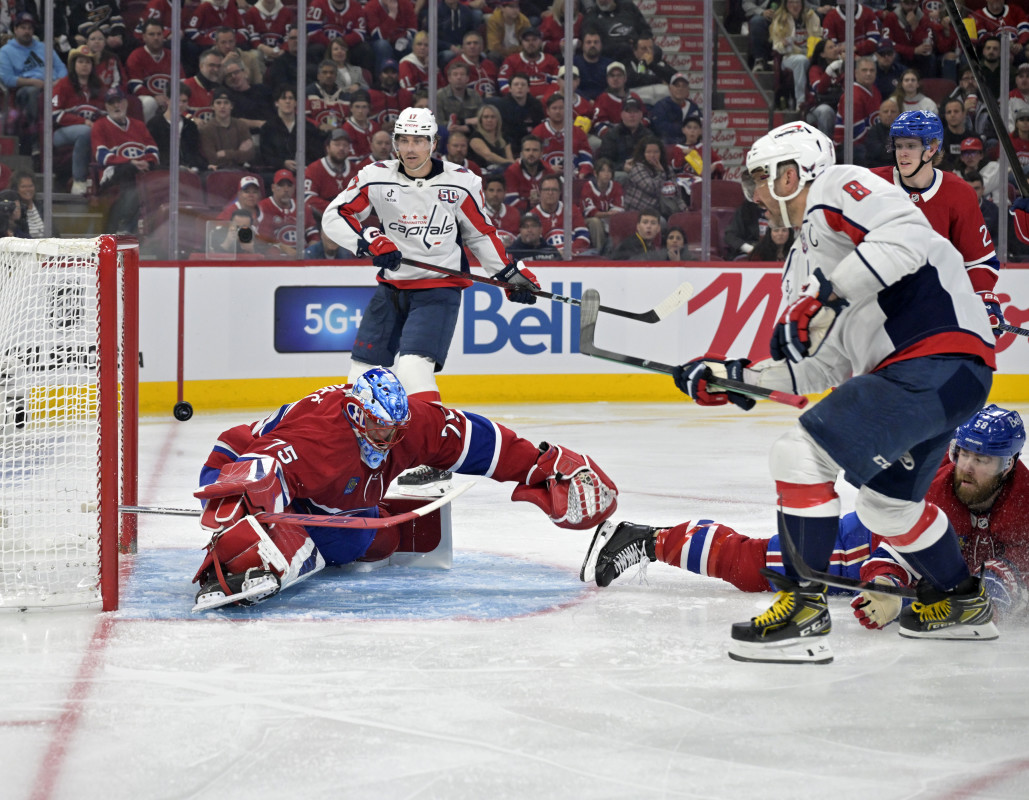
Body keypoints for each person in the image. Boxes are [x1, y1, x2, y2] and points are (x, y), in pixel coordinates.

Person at [655, 121, 998, 663]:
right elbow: (823, 367)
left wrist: (831, 296)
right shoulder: (800, 263)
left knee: (798, 452)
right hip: (937, 377)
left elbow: (906, 235)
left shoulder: (836, 186)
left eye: (761, 180)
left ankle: (803, 609)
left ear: (792, 174)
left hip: (934, 358)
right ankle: (962, 602)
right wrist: (736, 376)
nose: (757, 197)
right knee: (886, 509)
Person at [190, 366, 618, 610]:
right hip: (235, 460)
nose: (388, 436)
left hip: (321, 489)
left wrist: (538, 464)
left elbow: (476, 439)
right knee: (337, 543)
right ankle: (241, 557)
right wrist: (241, 514)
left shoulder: (412, 422)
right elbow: (260, 465)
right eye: (378, 424)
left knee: (376, 540)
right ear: (357, 413)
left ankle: (286, 541)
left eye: (394, 426)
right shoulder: (320, 439)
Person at [582, 405, 1029, 627]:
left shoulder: (1024, 502)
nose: (967, 468)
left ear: (1008, 465)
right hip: (867, 541)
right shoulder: (936, 487)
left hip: (941, 567)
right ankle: (644, 539)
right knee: (755, 567)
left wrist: (990, 600)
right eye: (964, 454)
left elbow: (1014, 570)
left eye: (983, 460)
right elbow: (891, 547)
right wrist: (887, 589)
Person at [320, 106, 539, 490]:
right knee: (359, 374)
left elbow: (479, 234)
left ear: (433, 143)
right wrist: (370, 241)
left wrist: (509, 274)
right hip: (392, 287)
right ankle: (350, 454)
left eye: (419, 140)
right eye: (403, 140)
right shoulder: (375, 178)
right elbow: (334, 215)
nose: (409, 148)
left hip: (438, 290)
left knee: (412, 368)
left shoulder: (460, 182)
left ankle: (438, 456)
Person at [869, 111, 1004, 334]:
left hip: (935, 311)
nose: (902, 154)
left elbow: (979, 261)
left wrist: (983, 298)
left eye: (910, 146)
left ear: (931, 148)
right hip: (879, 309)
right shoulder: (871, 183)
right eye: (898, 145)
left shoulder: (959, 193)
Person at [91, 87, 160, 234]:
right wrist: (130, 161)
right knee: (131, 179)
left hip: (140, 169)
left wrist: (147, 162)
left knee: (159, 176)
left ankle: (150, 229)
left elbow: (153, 151)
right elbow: (102, 156)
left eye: (119, 102)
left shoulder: (139, 125)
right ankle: (123, 226)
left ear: (126, 103)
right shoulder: (100, 125)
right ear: (107, 106)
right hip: (112, 171)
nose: (116, 106)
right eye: (112, 103)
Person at [0, 12, 68, 155]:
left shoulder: (44, 47)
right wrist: (33, 82)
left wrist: (57, 82)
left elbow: (62, 68)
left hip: (53, 86)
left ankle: (62, 129)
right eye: (23, 27)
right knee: (31, 94)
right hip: (25, 89)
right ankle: (34, 140)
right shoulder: (6, 51)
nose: (27, 31)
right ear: (15, 29)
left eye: (30, 28)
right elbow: (7, 79)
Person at [52, 45, 107, 196]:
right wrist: (81, 122)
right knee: (85, 132)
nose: (84, 65)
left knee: (93, 132)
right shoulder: (62, 85)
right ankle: (79, 181)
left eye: (88, 62)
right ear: (73, 65)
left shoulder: (99, 86)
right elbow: (54, 114)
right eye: (81, 62)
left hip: (93, 129)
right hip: (60, 133)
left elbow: (105, 113)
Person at [769, 0, 820, 111]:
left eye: (797, 2)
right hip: (788, 57)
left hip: (810, 55)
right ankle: (800, 102)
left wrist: (812, 52)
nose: (795, 5)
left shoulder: (811, 17)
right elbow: (776, 47)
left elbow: (818, 38)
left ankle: (817, 101)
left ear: (802, 4)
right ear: (786, 4)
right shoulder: (780, 19)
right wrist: (783, 44)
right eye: (791, 2)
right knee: (800, 61)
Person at [622, 136, 686, 220]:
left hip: (663, 210)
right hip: (641, 212)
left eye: (656, 152)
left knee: (683, 219)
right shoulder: (637, 168)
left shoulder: (668, 169)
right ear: (643, 154)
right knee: (662, 223)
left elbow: (676, 193)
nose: (652, 155)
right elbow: (652, 189)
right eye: (648, 152)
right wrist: (661, 173)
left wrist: (684, 210)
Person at [148, 82, 207, 173]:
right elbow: (156, 155)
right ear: (167, 100)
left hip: (192, 171)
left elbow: (195, 153)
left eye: (184, 101)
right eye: (177, 101)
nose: (181, 105)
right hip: (165, 172)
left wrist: (195, 168)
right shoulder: (154, 124)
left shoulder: (190, 126)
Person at [257, 169, 319, 256]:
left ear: (294, 188)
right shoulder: (264, 207)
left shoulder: (302, 206)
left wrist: (309, 253)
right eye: (281, 185)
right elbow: (264, 240)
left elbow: (313, 236)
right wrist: (285, 248)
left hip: (303, 259)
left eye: (289, 185)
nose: (286, 189)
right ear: (273, 188)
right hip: (277, 260)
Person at [528, 173, 592, 253]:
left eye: (554, 189)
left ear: (560, 192)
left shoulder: (571, 209)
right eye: (547, 189)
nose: (550, 193)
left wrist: (568, 251)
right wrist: (555, 253)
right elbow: (534, 245)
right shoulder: (532, 216)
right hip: (546, 259)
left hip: (573, 256)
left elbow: (584, 236)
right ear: (540, 192)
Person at [305, 128, 361, 217]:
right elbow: (308, 199)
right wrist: (337, 209)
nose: (341, 148)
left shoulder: (355, 170)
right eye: (337, 144)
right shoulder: (314, 169)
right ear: (327, 147)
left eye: (345, 145)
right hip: (324, 219)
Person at [199, 88, 255, 170]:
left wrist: (226, 153)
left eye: (226, 103)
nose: (222, 106)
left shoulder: (241, 125)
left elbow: (250, 154)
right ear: (212, 106)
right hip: (217, 171)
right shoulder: (207, 129)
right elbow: (212, 158)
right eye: (218, 103)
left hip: (241, 169)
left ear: (231, 106)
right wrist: (238, 153)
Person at [580, 158, 624, 255]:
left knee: (619, 221)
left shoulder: (616, 186)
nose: (606, 174)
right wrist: (607, 214)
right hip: (589, 221)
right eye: (603, 170)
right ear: (596, 173)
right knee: (595, 222)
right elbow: (591, 212)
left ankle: (617, 253)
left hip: (609, 218)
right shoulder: (588, 186)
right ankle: (600, 253)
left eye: (609, 171)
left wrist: (609, 214)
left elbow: (618, 208)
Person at [493, 73, 545, 151]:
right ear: (510, 89)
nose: (519, 87)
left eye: (523, 85)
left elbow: (538, 126)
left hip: (532, 142)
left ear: (528, 89)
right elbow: (505, 131)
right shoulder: (501, 105)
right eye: (516, 84)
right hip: (509, 144)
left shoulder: (536, 104)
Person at [503, 133, 553, 211]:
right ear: (522, 153)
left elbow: (556, 197)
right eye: (527, 150)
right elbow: (510, 201)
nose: (531, 154)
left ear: (541, 153)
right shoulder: (512, 171)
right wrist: (529, 204)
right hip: (522, 214)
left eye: (535, 150)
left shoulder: (548, 170)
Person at [650, 72, 701, 145]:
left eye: (684, 86)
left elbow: (700, 126)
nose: (680, 89)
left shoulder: (693, 106)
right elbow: (661, 129)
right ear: (670, 88)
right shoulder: (660, 106)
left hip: (691, 148)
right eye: (677, 85)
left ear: (688, 89)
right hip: (669, 147)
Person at [468, 104, 515, 173]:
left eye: (493, 117)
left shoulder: (504, 137)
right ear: (481, 120)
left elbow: (510, 158)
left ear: (497, 120)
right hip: (482, 173)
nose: (489, 120)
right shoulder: (475, 137)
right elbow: (488, 156)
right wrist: (509, 162)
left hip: (503, 172)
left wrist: (511, 163)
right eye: (486, 117)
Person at [861, 96, 900, 169]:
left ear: (899, 115)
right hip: (877, 169)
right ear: (880, 115)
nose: (889, 114)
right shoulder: (873, 131)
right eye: (886, 111)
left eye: (893, 111)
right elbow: (879, 153)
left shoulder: (904, 132)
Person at [482, 174, 521, 245]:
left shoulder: (514, 213)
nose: (495, 194)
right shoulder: (477, 214)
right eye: (491, 190)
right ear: (485, 192)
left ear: (505, 192)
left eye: (499, 190)